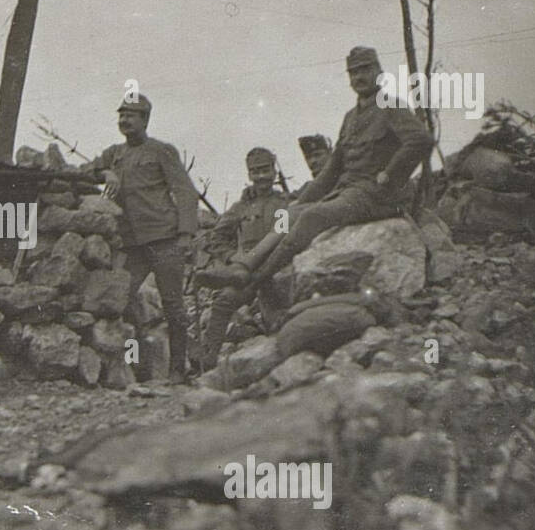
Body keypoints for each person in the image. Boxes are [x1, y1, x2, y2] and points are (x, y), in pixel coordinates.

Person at [195, 46, 434, 298]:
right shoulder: (351, 117)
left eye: (365, 70)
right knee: (291, 213)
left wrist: (389, 175)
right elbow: (333, 169)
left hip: (377, 196)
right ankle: (242, 267)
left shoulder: (391, 106)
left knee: (313, 216)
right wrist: (303, 199)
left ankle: (256, 280)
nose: (359, 77)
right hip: (349, 193)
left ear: (379, 72)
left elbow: (421, 140)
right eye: (353, 73)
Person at [84, 94, 200, 383]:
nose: (124, 120)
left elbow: (185, 191)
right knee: (122, 303)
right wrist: (104, 171)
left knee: (173, 306)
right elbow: (85, 171)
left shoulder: (162, 151)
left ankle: (177, 370)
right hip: (132, 245)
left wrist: (185, 233)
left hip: (164, 239)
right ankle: (133, 367)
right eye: (121, 115)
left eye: (131, 115)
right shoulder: (115, 154)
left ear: (145, 120)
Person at [195, 147, 293, 370]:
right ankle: (207, 363)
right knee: (223, 302)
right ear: (249, 175)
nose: (261, 177)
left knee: (280, 319)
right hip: (246, 272)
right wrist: (233, 256)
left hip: (278, 268)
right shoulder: (241, 207)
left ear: (274, 171)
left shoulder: (285, 202)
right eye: (255, 172)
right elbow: (216, 238)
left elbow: (286, 234)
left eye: (265, 170)